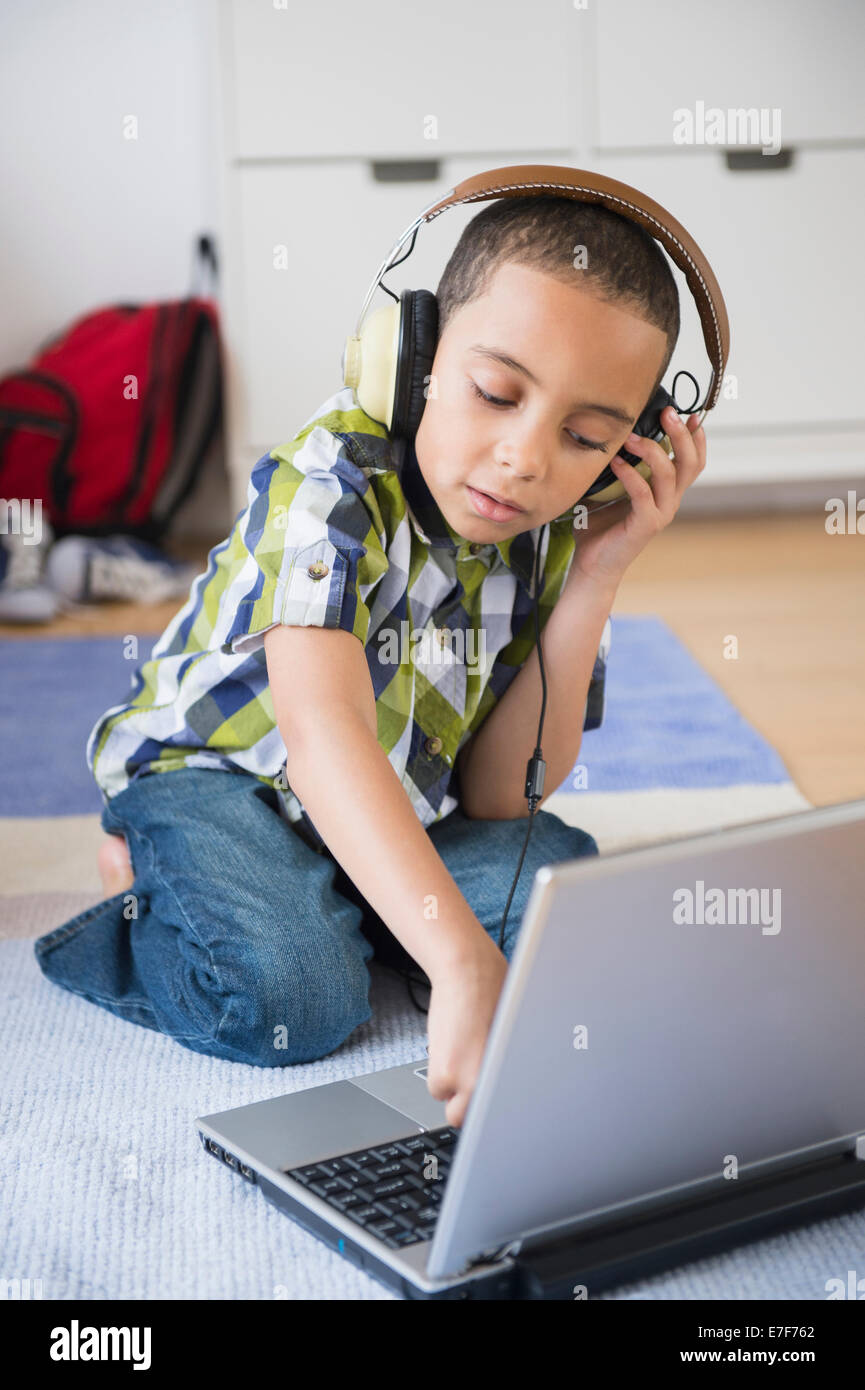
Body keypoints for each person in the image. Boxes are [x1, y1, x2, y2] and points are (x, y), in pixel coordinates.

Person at [33, 194, 706, 1127]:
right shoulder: (328, 483)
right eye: (498, 395)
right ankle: (139, 906)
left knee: (562, 911)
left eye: (585, 438)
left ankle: (365, 902)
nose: (524, 459)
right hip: (228, 783)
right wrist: (459, 958)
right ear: (413, 359)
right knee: (292, 998)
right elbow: (325, 740)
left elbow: (505, 799)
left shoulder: (556, 529)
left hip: (399, 805)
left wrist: (595, 576)